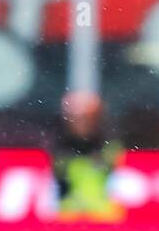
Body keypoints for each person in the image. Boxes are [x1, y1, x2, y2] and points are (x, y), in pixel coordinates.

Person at [50, 91, 124, 221]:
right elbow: (54, 188)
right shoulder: (58, 148)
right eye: (73, 117)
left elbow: (119, 185)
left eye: (84, 118)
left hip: (105, 218)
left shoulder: (109, 147)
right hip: (68, 218)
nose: (79, 123)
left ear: (96, 118)